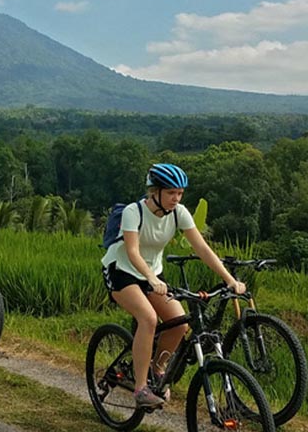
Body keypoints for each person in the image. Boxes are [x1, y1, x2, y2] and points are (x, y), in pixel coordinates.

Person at [100, 163, 246, 408]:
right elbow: (133, 252)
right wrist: (152, 278)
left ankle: (157, 371)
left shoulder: (179, 213)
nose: (176, 199)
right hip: (122, 271)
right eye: (170, 193)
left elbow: (202, 249)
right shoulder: (133, 212)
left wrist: (229, 280)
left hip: (153, 274)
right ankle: (140, 389)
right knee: (148, 318)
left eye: (179, 193)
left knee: (180, 323)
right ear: (154, 192)